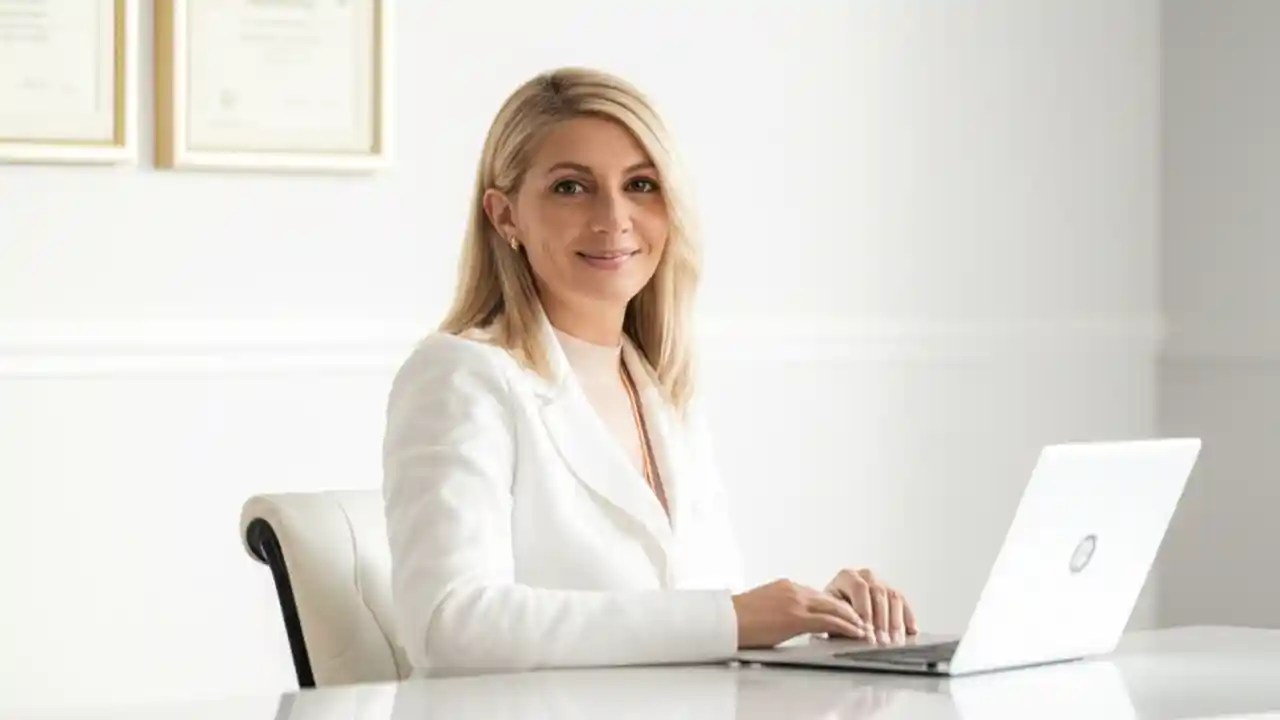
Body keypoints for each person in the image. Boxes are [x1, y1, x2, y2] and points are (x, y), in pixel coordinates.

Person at [382, 67, 917, 677]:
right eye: (570, 188)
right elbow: (451, 627)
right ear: (505, 217)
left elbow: (691, 618)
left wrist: (817, 617)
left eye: (640, 184)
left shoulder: (663, 390)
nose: (614, 218)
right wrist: (738, 617)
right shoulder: (461, 375)